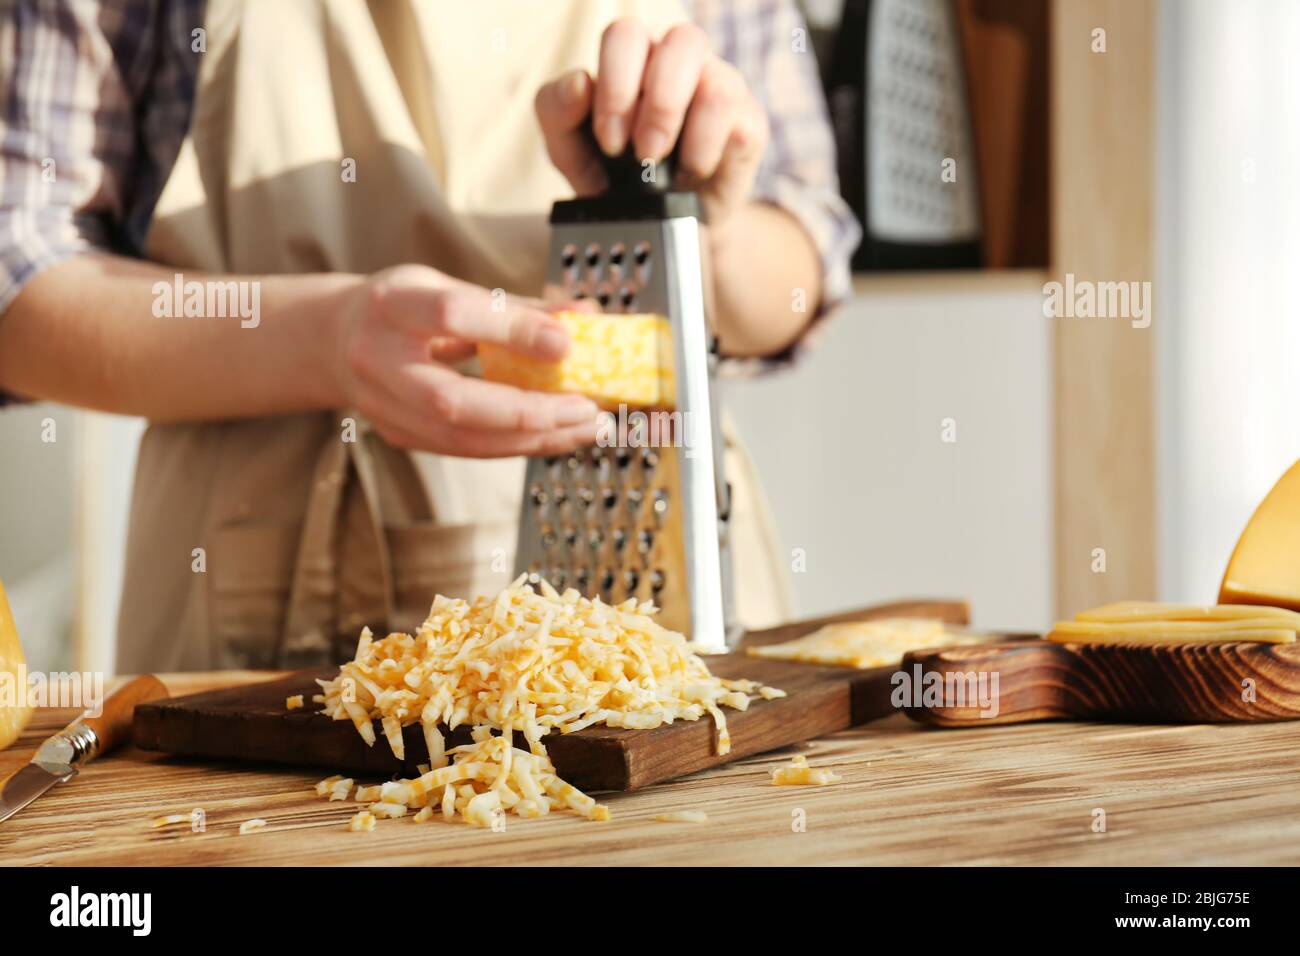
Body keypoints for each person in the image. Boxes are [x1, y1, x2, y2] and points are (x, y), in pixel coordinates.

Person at [0, 0, 858, 671]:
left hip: (668, 577)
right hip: (254, 593)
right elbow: (20, 279)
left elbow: (804, 261)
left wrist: (699, 229)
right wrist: (325, 340)